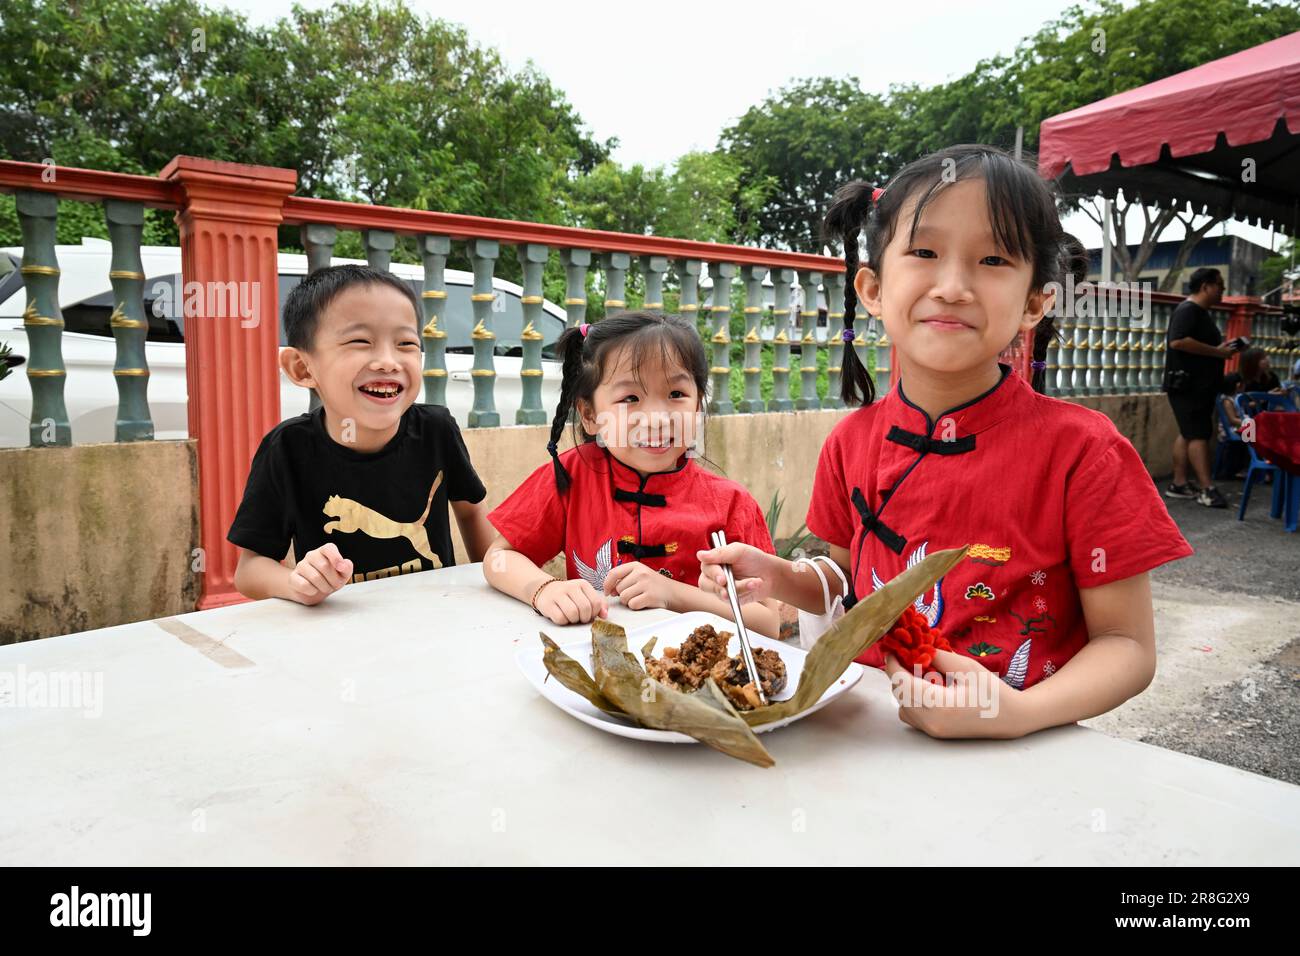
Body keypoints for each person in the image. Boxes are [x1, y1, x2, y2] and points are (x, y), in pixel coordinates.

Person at [697, 144, 1193, 739]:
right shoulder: (850, 442)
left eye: (993, 259)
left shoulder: (1084, 453)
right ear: (874, 289)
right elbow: (851, 583)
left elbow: (1128, 645)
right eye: (925, 252)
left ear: (1037, 300)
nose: (954, 286)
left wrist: (1016, 715)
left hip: (1022, 757)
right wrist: (779, 577)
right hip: (865, 735)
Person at [482, 310, 780, 636]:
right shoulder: (572, 475)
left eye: (676, 394)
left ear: (697, 406)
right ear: (590, 414)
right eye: (630, 398)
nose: (655, 417)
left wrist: (674, 595)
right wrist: (543, 589)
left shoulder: (730, 504)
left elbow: (768, 622)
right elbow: (499, 558)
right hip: (600, 666)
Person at [229, 265, 495, 605]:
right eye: (360, 341)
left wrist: (497, 586)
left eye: (405, 343)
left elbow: (472, 512)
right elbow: (249, 571)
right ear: (302, 367)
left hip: (435, 616)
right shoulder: (287, 449)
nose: (388, 361)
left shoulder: (437, 429)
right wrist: (298, 582)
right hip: (340, 633)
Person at [1163, 267, 1243, 507]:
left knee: (1188, 434)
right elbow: (1178, 341)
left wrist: (1221, 349)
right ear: (1206, 286)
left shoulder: (1200, 312)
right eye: (1220, 286)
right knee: (1198, 435)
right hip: (1188, 385)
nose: (1222, 291)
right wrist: (1218, 352)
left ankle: (1179, 483)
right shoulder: (1189, 310)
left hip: (1195, 385)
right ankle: (1207, 488)